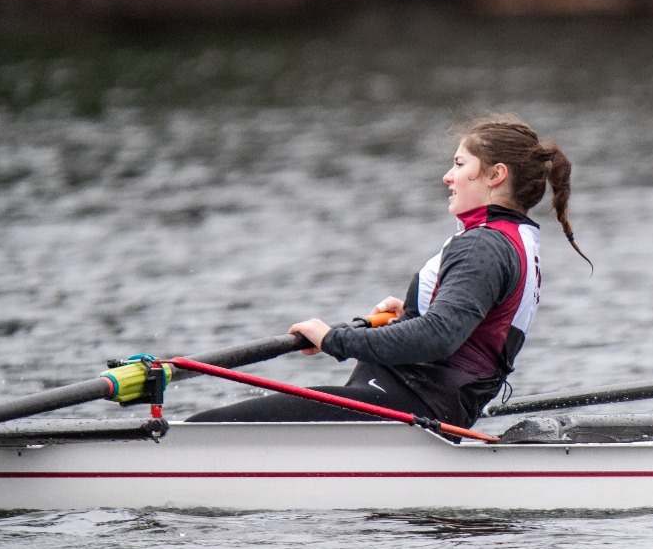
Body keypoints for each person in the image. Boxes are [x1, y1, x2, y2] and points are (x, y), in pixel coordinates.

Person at [189, 113, 586, 427]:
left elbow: (439, 337)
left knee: (201, 427)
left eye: (460, 164)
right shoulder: (511, 239)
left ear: (496, 175)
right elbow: (469, 327)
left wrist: (334, 340)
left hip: (411, 404)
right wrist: (414, 311)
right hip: (420, 401)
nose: (447, 177)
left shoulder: (483, 245)